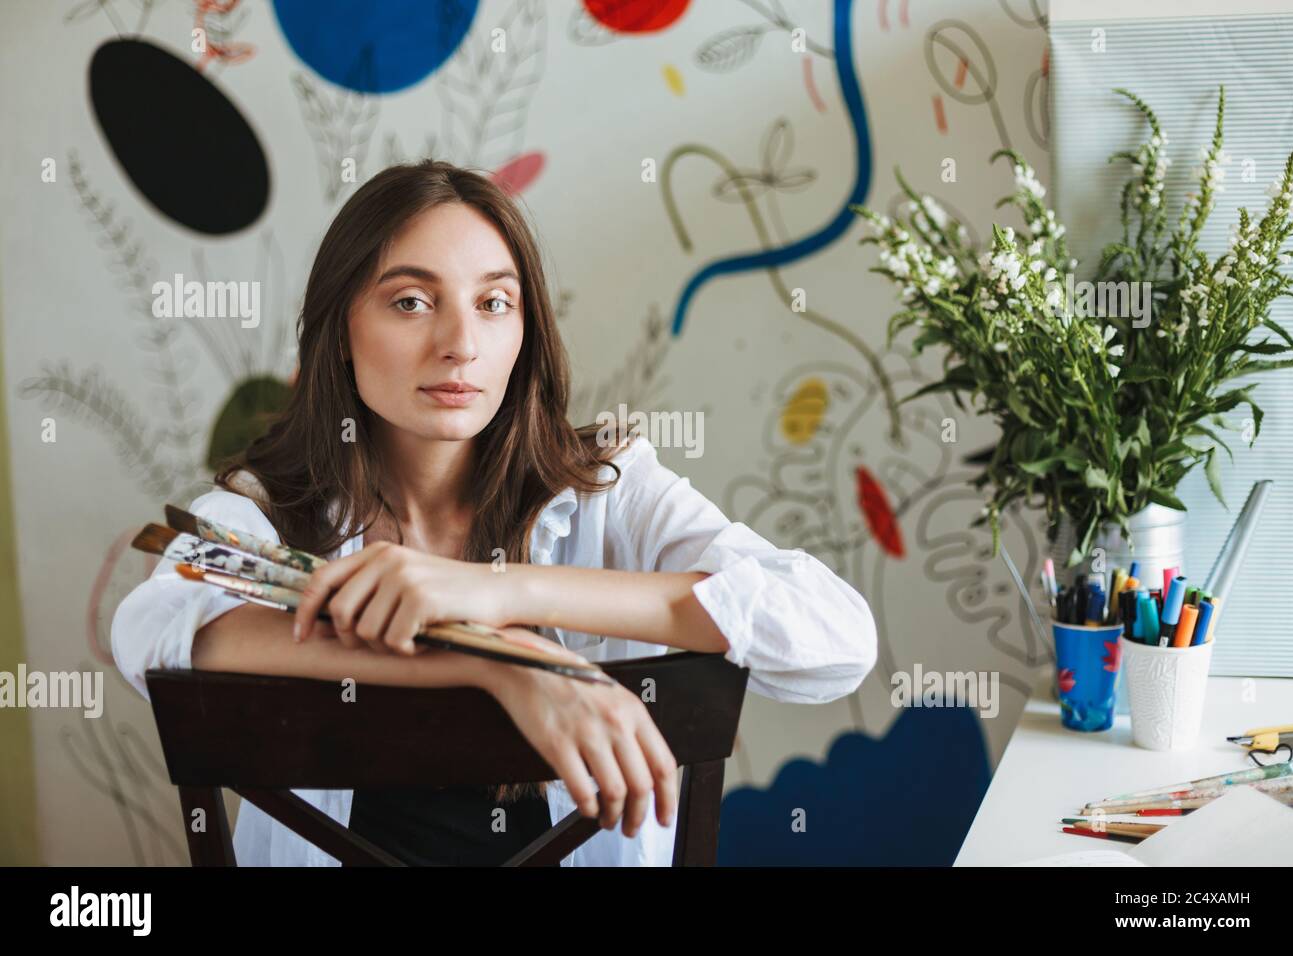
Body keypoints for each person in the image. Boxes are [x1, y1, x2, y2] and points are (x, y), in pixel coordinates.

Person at [111, 159, 879, 866]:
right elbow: (154, 630)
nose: (460, 344)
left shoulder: (605, 493)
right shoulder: (269, 514)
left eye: (493, 303)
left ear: (525, 330)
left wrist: (502, 593)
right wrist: (502, 664)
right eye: (411, 302)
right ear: (341, 329)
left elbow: (834, 638)